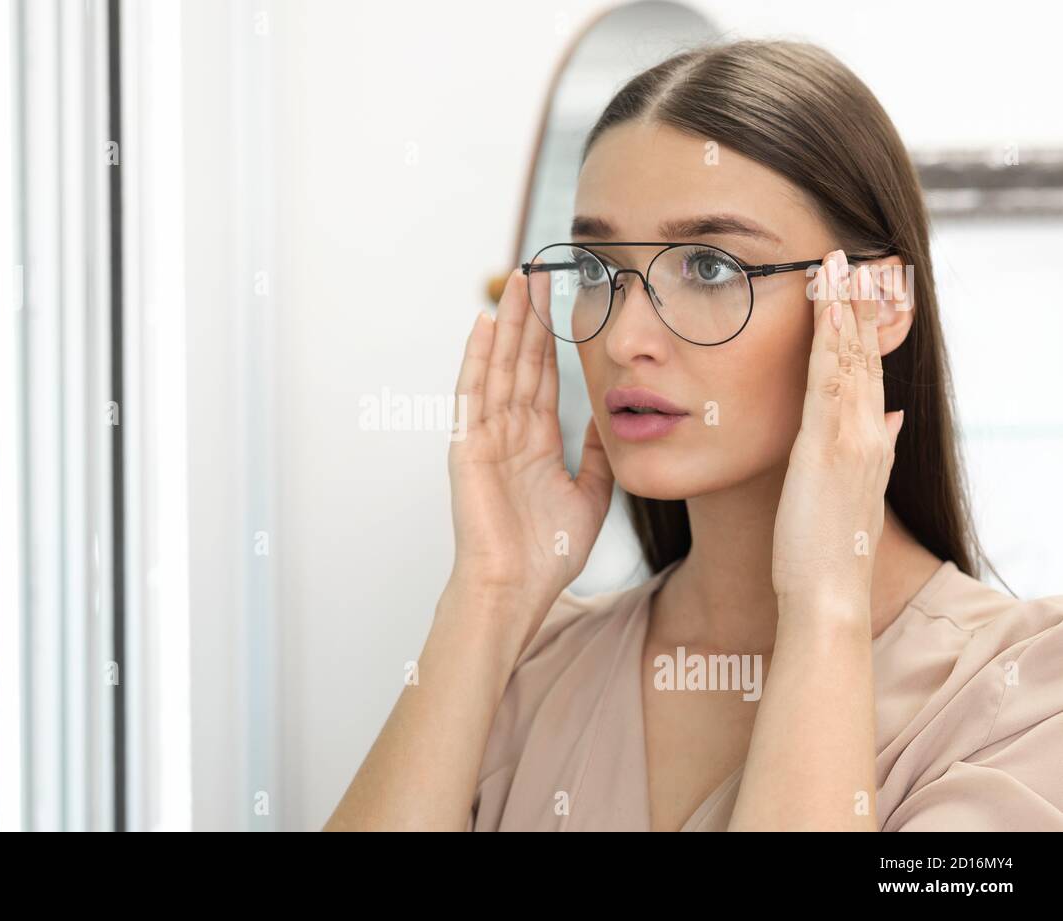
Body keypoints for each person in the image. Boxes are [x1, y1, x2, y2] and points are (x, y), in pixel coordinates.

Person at [324, 39, 1063, 831]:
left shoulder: (1024, 700)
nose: (624, 338)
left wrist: (822, 607)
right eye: (600, 271)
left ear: (876, 302)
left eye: (709, 267)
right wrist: (491, 590)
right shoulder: (521, 671)